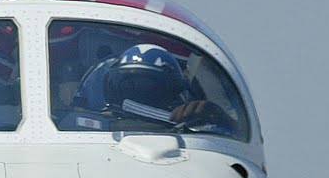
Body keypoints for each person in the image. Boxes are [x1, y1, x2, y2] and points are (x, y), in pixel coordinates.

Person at [74, 44, 233, 134]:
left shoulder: (194, 127)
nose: (138, 90)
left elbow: (230, 135)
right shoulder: (79, 123)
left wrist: (219, 119)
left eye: (150, 88)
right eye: (129, 85)